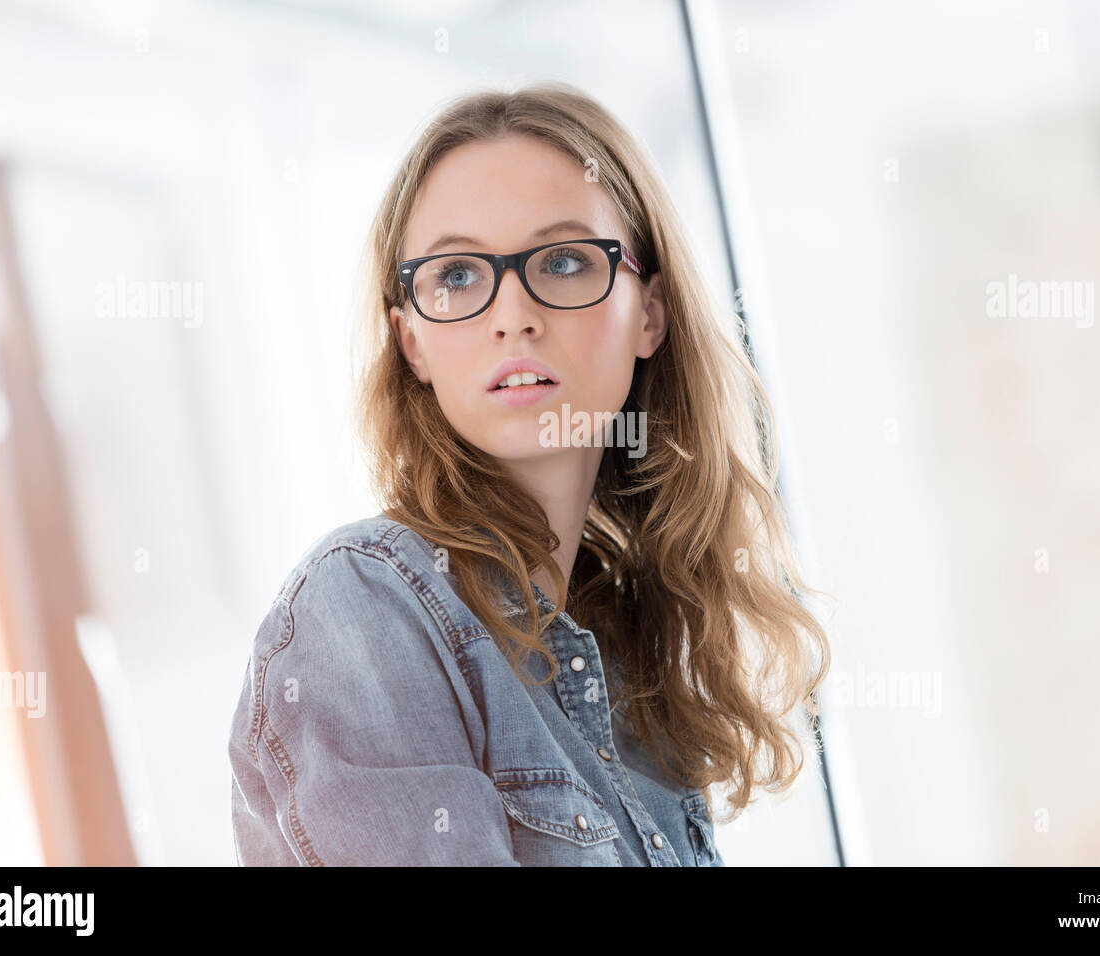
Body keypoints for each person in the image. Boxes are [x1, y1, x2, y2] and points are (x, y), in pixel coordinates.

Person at [227, 81, 830, 866]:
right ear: (411, 343)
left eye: (566, 260)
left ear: (650, 313)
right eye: (456, 276)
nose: (512, 313)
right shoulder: (363, 606)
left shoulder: (627, 664)